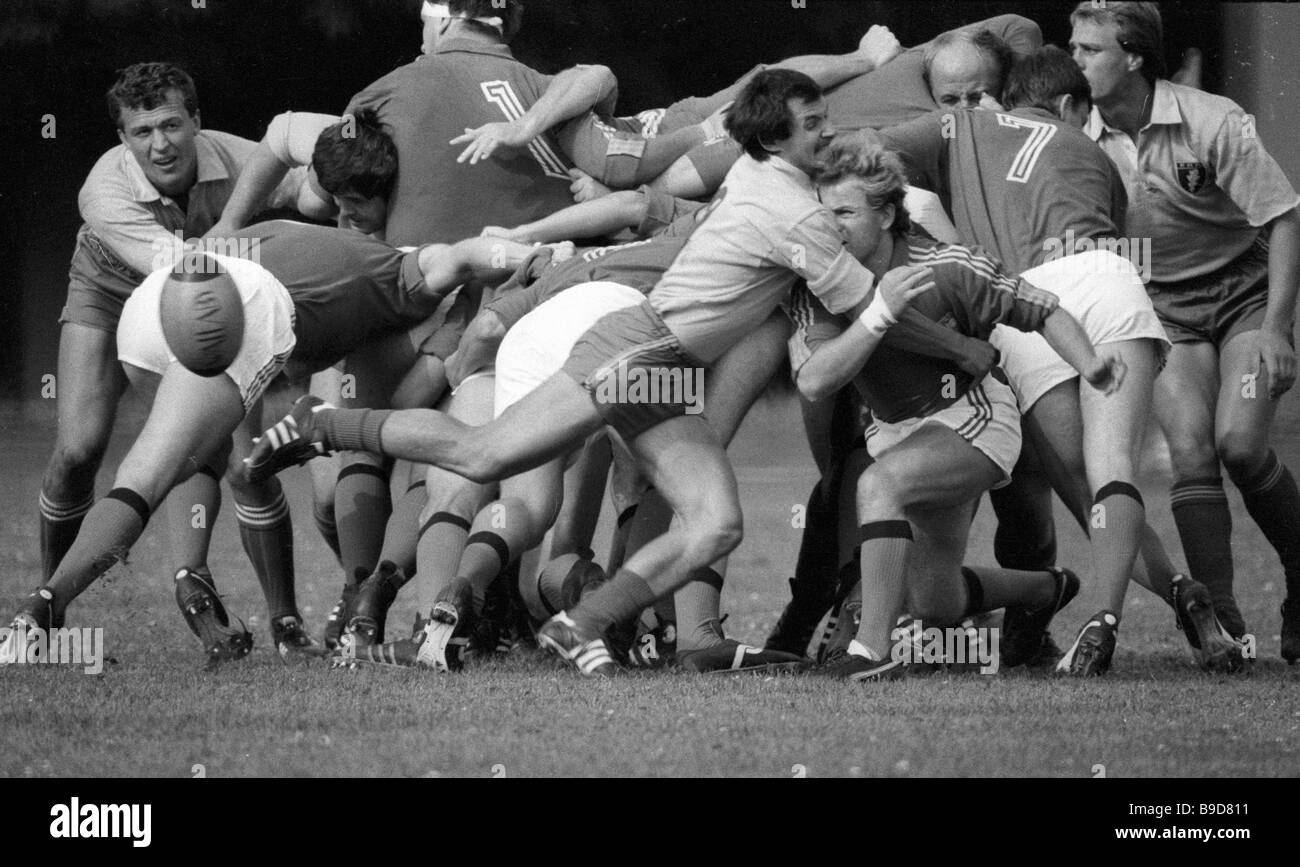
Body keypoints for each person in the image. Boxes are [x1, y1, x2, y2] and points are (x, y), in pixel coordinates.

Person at [0, 223, 540, 666]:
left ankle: (195, 578)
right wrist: (534, 253)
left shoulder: (304, 238)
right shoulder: (403, 271)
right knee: (151, 476)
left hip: (151, 309)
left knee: (200, 459)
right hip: (233, 312)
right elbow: (468, 255)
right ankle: (39, 610)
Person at [875, 45, 1242, 674]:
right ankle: (1140, 608)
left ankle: (1129, 603)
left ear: (1000, 97)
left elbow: (862, 155)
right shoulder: (1095, 152)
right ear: (1070, 107)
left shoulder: (957, 126)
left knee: (1075, 483)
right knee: (1112, 467)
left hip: (1033, 298)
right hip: (1107, 275)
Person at [787, 141, 1124, 680]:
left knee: (878, 487)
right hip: (897, 432)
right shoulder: (820, 281)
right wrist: (878, 315)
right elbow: (816, 381)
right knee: (935, 602)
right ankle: (1047, 588)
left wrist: (1091, 365)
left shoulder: (946, 266)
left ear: (888, 213)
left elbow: (1042, 308)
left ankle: (869, 654)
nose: (832, 226)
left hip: (972, 418)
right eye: (823, 213)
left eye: (845, 212)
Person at [37, 62, 313, 636]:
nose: (160, 144)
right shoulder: (103, 190)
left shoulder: (233, 155)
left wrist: (342, 179)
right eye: (142, 132)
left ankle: (286, 625)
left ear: (196, 122)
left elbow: (305, 186)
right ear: (123, 139)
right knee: (78, 451)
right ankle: (51, 612)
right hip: (115, 288)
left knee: (246, 461)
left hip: (206, 299)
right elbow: (178, 268)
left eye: (170, 125)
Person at [1070, 1, 1300, 662]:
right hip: (1162, 308)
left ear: (1133, 58)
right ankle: (1223, 622)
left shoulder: (1210, 120)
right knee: (1193, 451)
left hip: (1244, 299)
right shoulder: (1075, 136)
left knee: (1241, 445)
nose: (1077, 60)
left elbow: (1283, 219)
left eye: (1091, 49)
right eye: (1075, 46)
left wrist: (1277, 329)